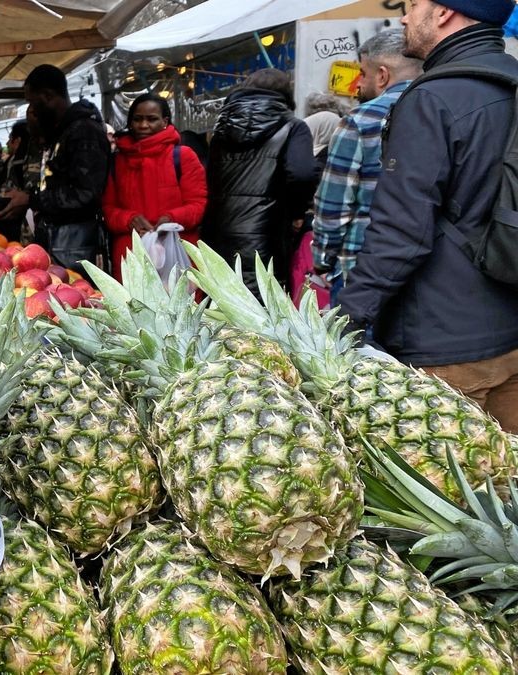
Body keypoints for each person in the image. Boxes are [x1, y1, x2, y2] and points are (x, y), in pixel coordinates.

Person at [338, 0, 518, 432]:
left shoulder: (433, 98)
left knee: (450, 492)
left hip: (445, 348)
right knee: (507, 488)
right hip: (510, 329)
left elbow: (402, 231)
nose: (403, 17)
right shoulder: (510, 81)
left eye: (413, 5)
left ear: (442, 14)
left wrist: (345, 318)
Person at [312, 29, 421, 306]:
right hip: (424, 276)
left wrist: (323, 260)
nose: (358, 83)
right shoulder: (443, 111)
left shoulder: (360, 120)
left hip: (359, 271)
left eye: (362, 73)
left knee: (357, 347)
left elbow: (333, 207)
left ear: (382, 75)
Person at [203, 68, 317, 296]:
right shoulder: (293, 127)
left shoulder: (221, 128)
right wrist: (296, 212)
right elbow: (303, 173)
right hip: (268, 232)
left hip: (217, 231)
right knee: (263, 310)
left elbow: (211, 175)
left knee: (220, 305)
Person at [0, 65, 110, 275]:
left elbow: (85, 194)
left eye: (32, 102)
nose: (32, 110)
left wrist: (32, 200)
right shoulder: (62, 131)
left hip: (74, 245)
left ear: (48, 96)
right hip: (58, 241)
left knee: (71, 298)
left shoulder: (84, 132)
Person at [101, 93, 207, 277]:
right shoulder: (117, 161)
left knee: (182, 303)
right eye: (137, 119)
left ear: (165, 121)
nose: (143, 125)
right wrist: (128, 219)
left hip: (176, 251)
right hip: (131, 256)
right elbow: (108, 209)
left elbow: (198, 204)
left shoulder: (183, 156)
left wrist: (172, 218)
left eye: (152, 119)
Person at [0, 121, 31, 242]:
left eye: (10, 139)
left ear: (17, 141)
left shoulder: (20, 162)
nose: (7, 143)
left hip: (17, 216)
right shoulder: (16, 159)